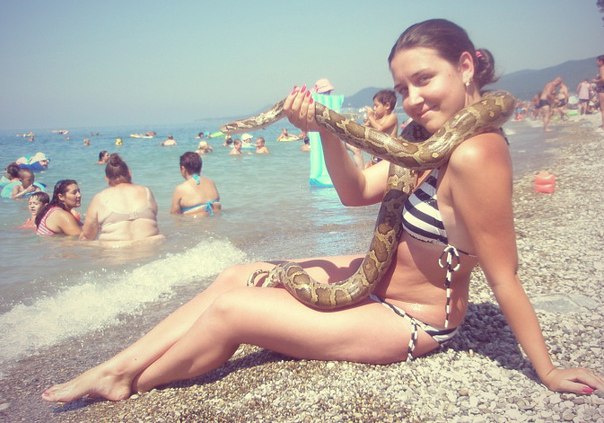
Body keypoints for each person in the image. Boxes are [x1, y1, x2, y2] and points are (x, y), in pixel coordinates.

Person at [41, 19, 603, 405]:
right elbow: (355, 191)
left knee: (232, 312)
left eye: (424, 79)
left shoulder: (477, 152)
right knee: (235, 276)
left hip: (410, 318)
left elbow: (504, 274)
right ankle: (116, 367)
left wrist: (547, 369)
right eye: (402, 87)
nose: (412, 99)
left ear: (465, 66)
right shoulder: (422, 140)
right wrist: (322, 129)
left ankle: (131, 383)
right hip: (368, 282)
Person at [80, 154, 161, 242]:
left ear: (106, 179)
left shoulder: (99, 198)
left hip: (117, 248)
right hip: (152, 246)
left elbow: (88, 235)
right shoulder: (146, 192)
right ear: (129, 173)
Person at [170, 151, 221, 216]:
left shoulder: (180, 189)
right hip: (216, 220)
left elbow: (174, 215)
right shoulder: (211, 183)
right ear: (200, 167)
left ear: (183, 168)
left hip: (195, 222)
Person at [364, 89, 399, 167]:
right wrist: (368, 123)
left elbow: (380, 129)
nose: (374, 108)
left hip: (389, 153)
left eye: (376, 106)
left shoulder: (392, 117)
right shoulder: (377, 119)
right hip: (379, 154)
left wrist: (371, 117)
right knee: (367, 166)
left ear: (387, 106)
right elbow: (365, 131)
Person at [596, 55, 604, 129]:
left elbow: (603, 79)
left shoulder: (602, 68)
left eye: (597, 61)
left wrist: (595, 81)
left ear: (601, 61)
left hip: (602, 89)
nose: (596, 62)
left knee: (602, 108)